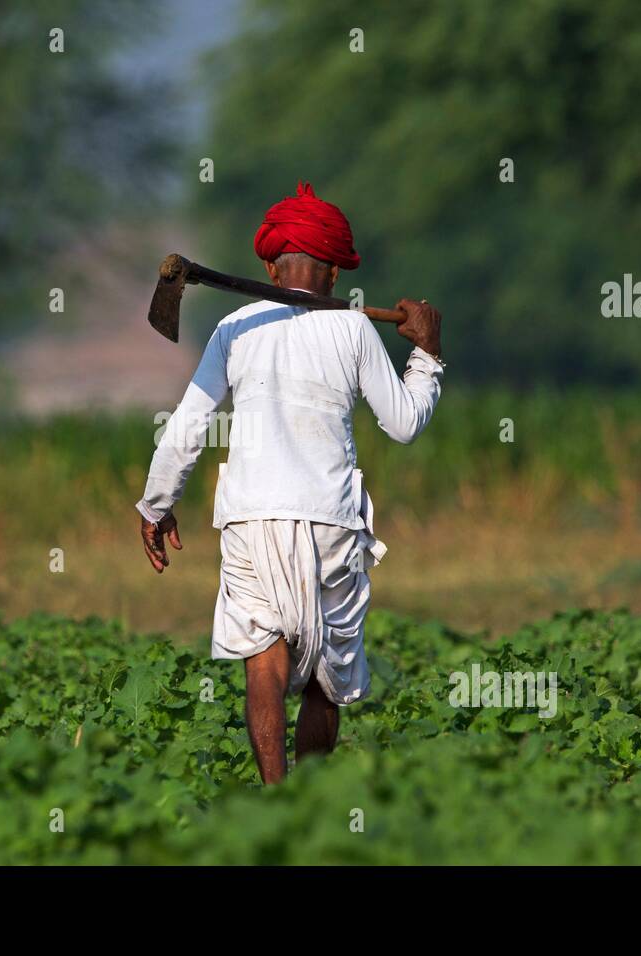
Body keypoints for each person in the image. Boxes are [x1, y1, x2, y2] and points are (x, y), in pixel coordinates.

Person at [136, 182, 444, 783]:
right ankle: (309, 810)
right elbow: (404, 424)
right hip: (331, 519)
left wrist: (156, 506)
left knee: (265, 662)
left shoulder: (234, 329)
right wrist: (427, 355)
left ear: (271, 265)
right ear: (331, 270)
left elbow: (187, 428)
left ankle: (275, 801)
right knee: (327, 681)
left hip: (250, 520)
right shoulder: (353, 330)